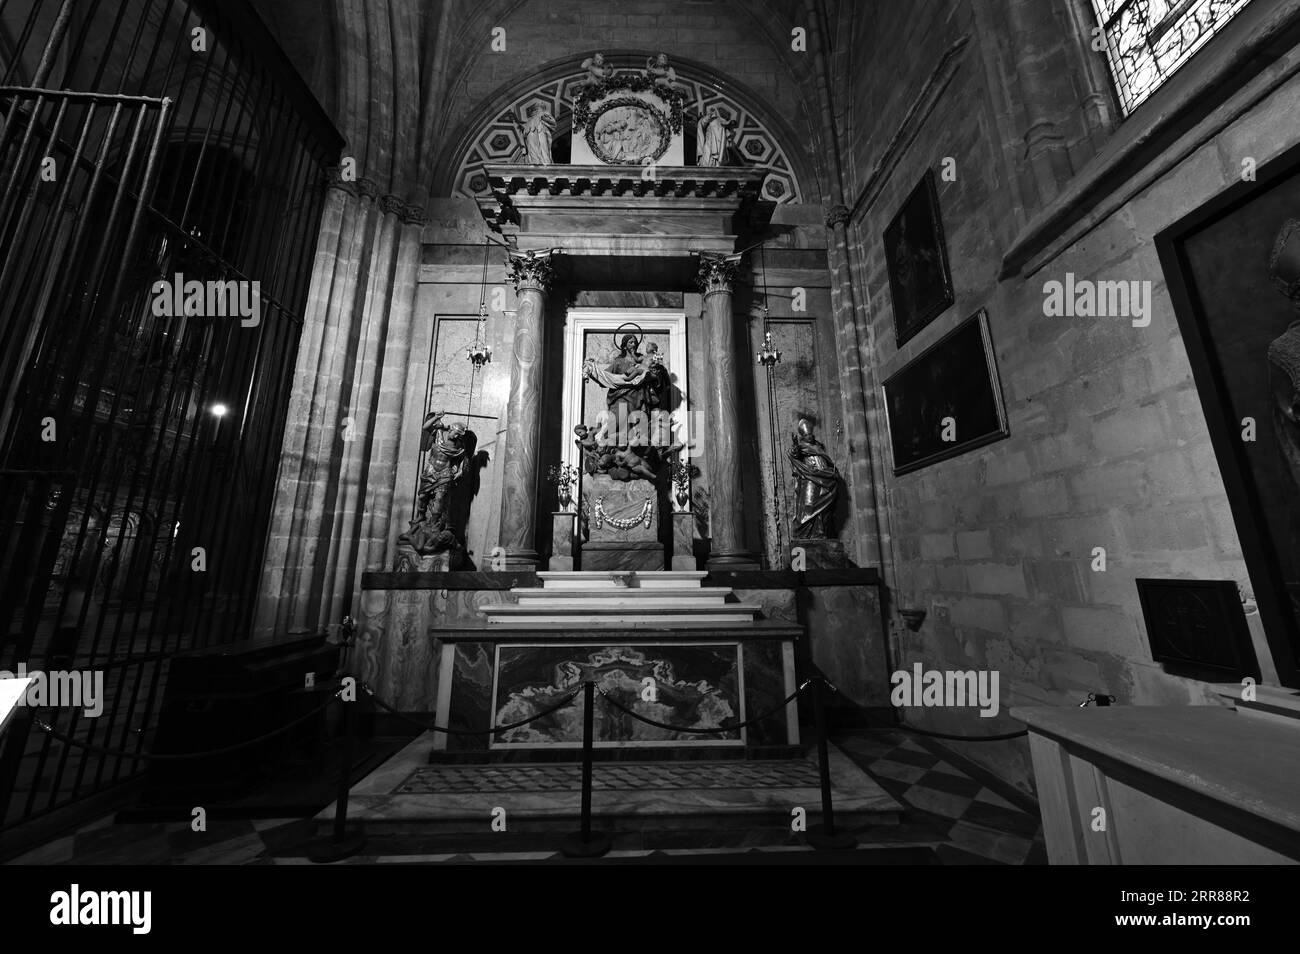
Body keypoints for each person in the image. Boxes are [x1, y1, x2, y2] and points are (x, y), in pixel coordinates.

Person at [788, 418, 840, 539]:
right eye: (806, 435)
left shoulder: (818, 446)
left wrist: (831, 471)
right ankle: (804, 534)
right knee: (809, 505)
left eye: (810, 434)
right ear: (803, 436)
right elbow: (794, 454)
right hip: (810, 479)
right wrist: (795, 445)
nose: (809, 437)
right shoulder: (801, 447)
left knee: (823, 510)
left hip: (824, 479)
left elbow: (826, 460)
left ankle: (819, 532)